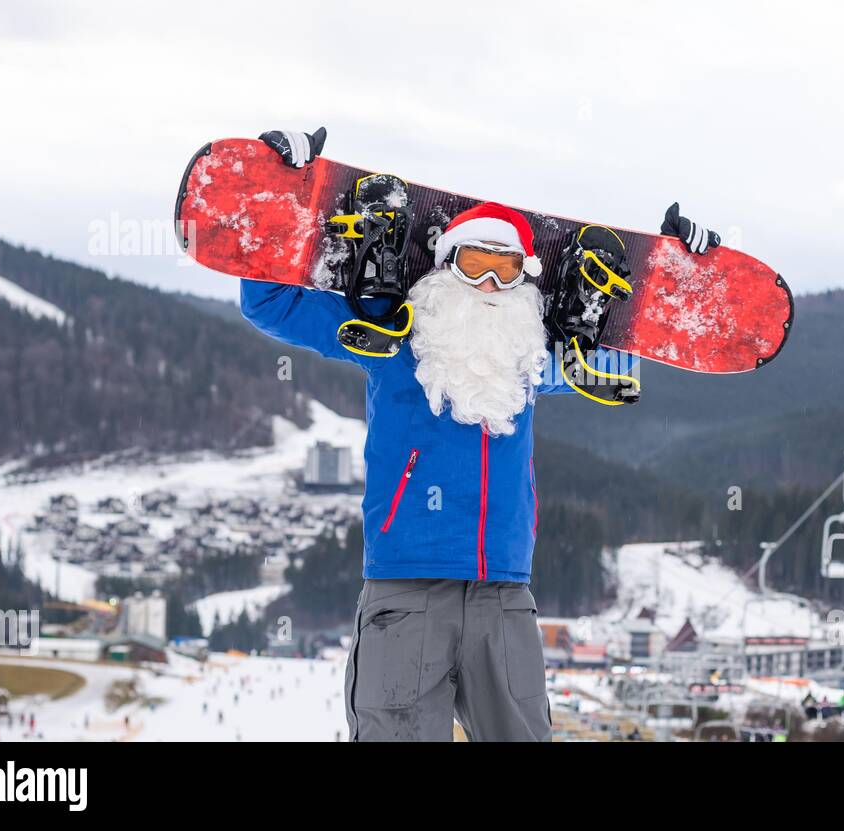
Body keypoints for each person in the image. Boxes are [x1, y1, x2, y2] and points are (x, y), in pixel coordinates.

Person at [245, 128, 720, 742]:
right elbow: (270, 305)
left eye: (506, 270)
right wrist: (275, 188)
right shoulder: (392, 341)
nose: (490, 287)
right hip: (405, 587)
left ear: (526, 280)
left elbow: (629, 357)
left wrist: (685, 275)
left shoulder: (530, 361)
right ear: (445, 270)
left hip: (504, 594)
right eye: (475, 266)